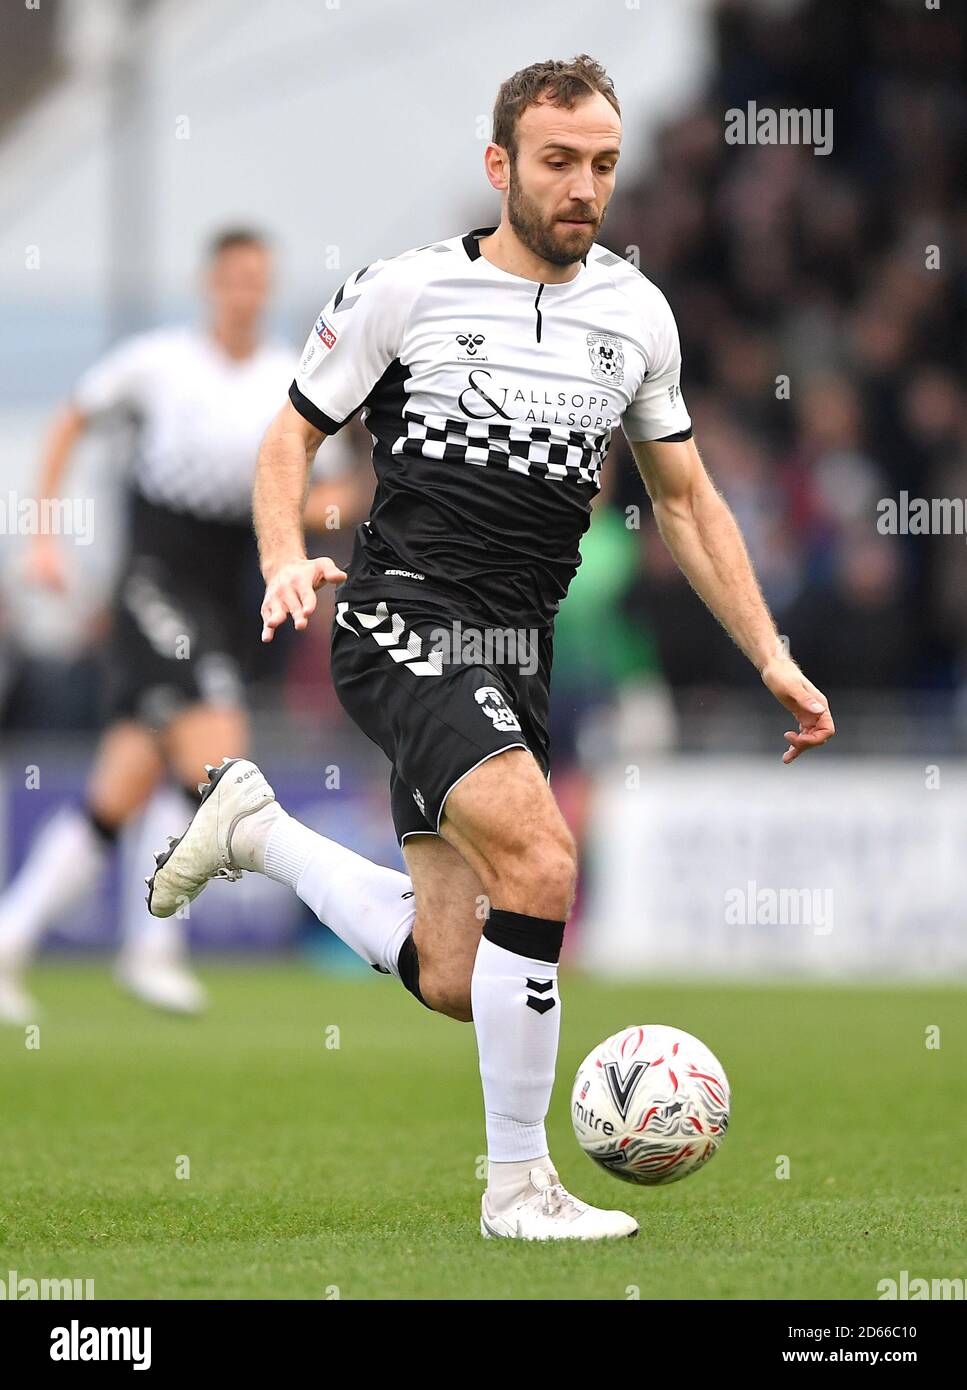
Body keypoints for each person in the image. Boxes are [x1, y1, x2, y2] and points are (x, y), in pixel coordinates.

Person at [146, 57, 834, 1239]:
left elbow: (685, 499)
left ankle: (254, 830)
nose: (583, 187)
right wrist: (278, 558)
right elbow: (287, 442)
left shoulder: (636, 313)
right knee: (546, 860)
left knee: (460, 974)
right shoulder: (403, 293)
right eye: (558, 160)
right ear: (499, 164)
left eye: (604, 165)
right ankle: (517, 1188)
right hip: (402, 619)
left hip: (519, 650)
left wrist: (767, 651)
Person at [0, 229, 351, 1024]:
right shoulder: (156, 362)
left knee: (123, 786)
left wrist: (383, 491)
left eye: (257, 280)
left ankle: (15, 940)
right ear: (208, 285)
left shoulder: (285, 380)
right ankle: (153, 949)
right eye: (231, 278)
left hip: (230, 595)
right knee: (217, 759)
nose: (243, 293)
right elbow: (69, 423)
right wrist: (45, 537)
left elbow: (320, 497)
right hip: (154, 583)